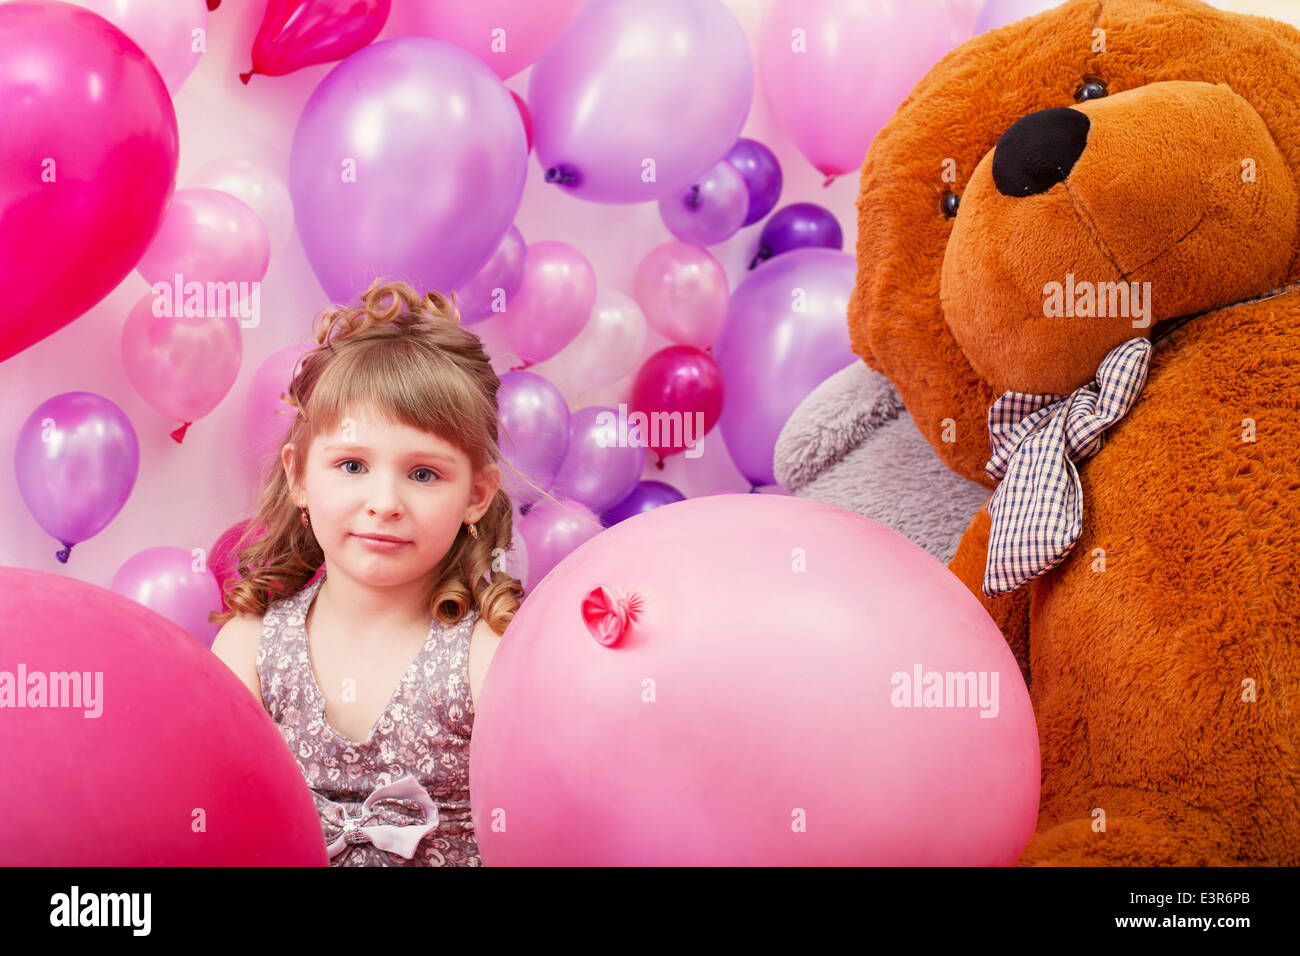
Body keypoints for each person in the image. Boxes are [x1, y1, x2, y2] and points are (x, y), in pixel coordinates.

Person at [211, 278, 536, 866]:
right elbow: (212, 817)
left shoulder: (486, 655)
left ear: (477, 494)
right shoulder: (251, 646)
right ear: (300, 475)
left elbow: (542, 825)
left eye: (423, 474)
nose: (384, 501)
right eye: (353, 465)